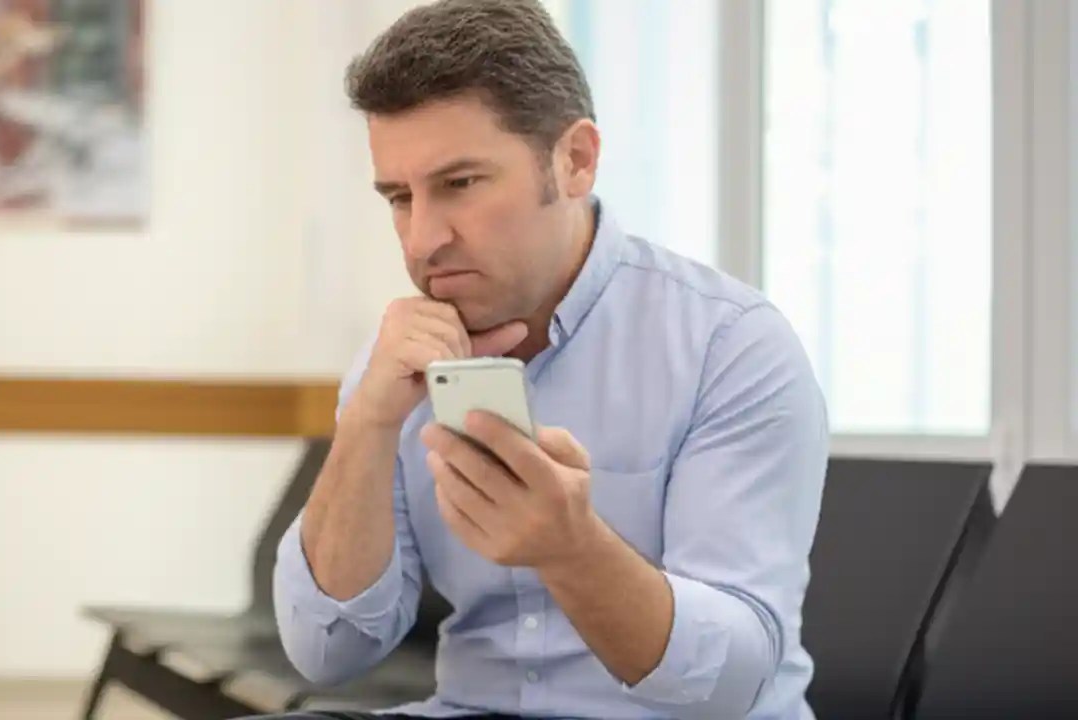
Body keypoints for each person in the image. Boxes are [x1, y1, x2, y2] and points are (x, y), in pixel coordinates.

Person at [264, 1, 828, 718]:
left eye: (460, 184)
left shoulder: (731, 346)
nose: (421, 240)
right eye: (400, 198)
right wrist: (367, 427)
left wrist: (574, 550)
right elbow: (329, 652)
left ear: (575, 161)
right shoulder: (394, 367)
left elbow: (729, 685)